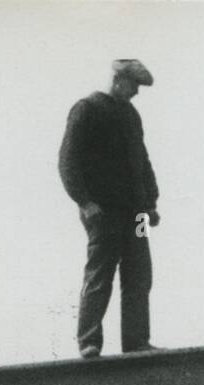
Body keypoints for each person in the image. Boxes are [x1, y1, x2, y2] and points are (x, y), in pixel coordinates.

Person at [58, 59, 161, 359]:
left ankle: (136, 342)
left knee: (139, 275)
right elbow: (67, 160)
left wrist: (151, 204)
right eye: (133, 85)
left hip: (136, 213)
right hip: (102, 211)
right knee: (100, 275)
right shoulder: (86, 109)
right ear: (118, 80)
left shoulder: (131, 115)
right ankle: (89, 342)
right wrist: (84, 202)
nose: (136, 93)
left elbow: (142, 161)